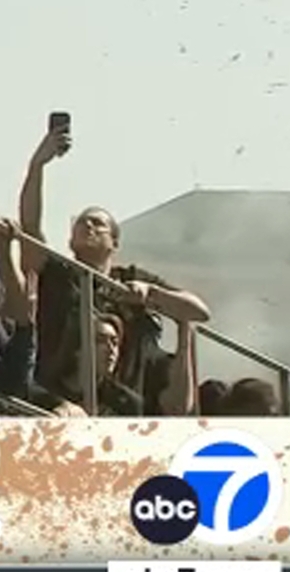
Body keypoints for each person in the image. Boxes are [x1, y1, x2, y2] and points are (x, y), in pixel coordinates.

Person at [17, 125, 206, 415]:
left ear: (114, 242)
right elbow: (30, 228)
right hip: (60, 401)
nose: (88, 226)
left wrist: (151, 294)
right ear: (71, 239)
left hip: (119, 406)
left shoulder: (131, 278)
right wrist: (37, 164)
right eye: (82, 223)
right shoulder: (61, 273)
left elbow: (198, 310)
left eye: (97, 223)